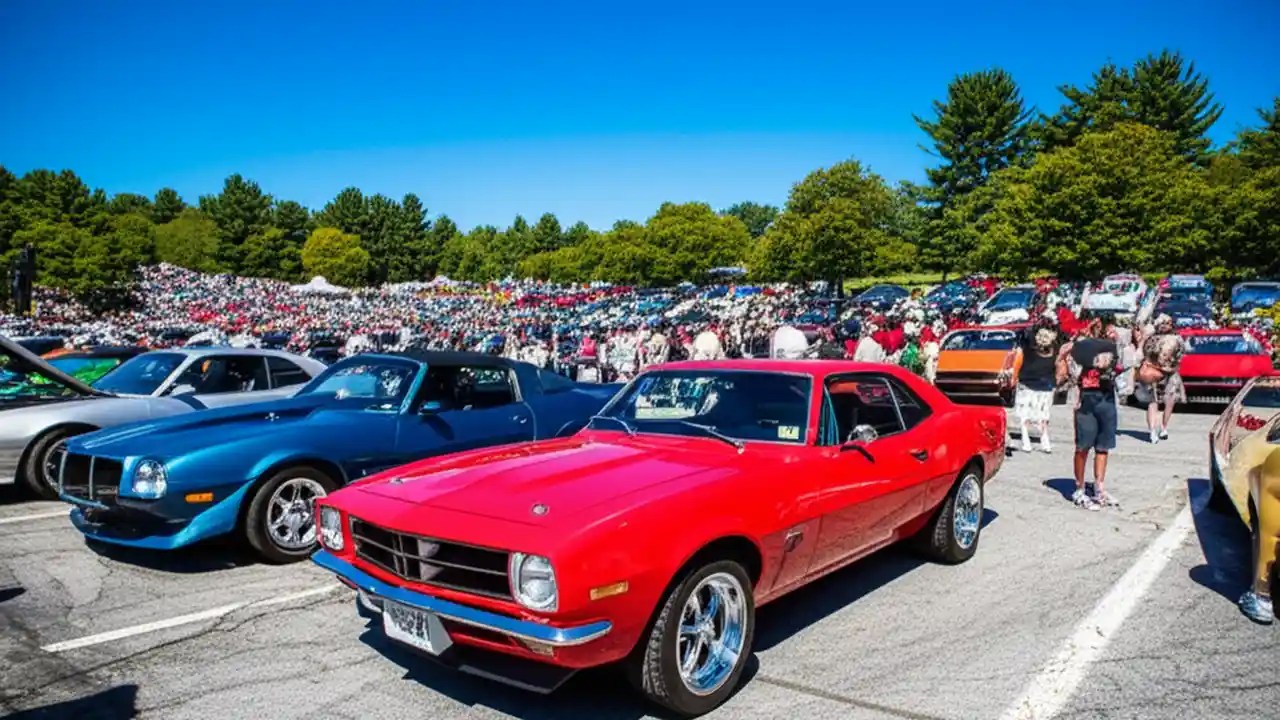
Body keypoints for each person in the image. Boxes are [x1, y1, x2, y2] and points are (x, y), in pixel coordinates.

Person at [1057, 317, 1120, 510]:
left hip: (1106, 397)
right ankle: (1080, 488)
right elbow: (1062, 376)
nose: (1099, 327)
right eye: (1095, 323)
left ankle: (1099, 487)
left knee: (1103, 445)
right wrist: (1063, 359)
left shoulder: (1111, 345)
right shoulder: (1074, 348)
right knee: (1083, 445)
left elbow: (1122, 368)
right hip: (1085, 398)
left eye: (1103, 324)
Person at [1137, 314, 1186, 444]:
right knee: (1152, 401)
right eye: (1162, 323)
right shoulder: (1151, 338)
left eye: (1167, 323)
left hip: (1170, 373)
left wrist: (1170, 366)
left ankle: (1164, 427)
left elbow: (1180, 355)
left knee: (1169, 401)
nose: (1164, 325)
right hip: (1152, 371)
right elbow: (1143, 352)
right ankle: (1152, 431)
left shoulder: (1177, 338)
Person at [1015, 317, 1060, 453]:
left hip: (1027, 383)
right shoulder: (1054, 349)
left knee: (1025, 416)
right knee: (1043, 417)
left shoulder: (1028, 347)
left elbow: (1022, 333)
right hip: (1045, 385)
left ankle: (1026, 441)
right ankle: (1044, 441)